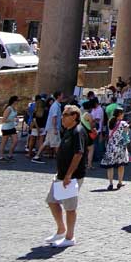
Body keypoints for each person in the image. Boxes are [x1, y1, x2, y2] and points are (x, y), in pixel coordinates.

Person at [43, 103, 87, 248]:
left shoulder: (78, 131)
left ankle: (70, 237)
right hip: (61, 174)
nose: (62, 117)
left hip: (71, 176)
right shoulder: (68, 130)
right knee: (52, 201)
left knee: (69, 207)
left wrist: (69, 174)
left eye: (65, 115)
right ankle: (61, 229)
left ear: (74, 116)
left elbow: (78, 154)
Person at [100, 109, 130, 190]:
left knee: (110, 166)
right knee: (121, 165)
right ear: (120, 114)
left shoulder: (110, 122)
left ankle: (110, 183)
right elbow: (126, 134)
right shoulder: (124, 123)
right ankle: (120, 182)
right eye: (122, 113)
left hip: (111, 146)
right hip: (120, 147)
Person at [0, 95, 20, 161]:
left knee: (15, 141)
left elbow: (13, 117)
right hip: (6, 128)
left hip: (12, 127)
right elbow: (3, 120)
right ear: (14, 101)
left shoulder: (14, 108)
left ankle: (10, 155)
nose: (18, 102)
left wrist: (16, 119)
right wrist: (13, 120)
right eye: (17, 100)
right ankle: (1, 157)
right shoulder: (8, 109)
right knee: (4, 143)